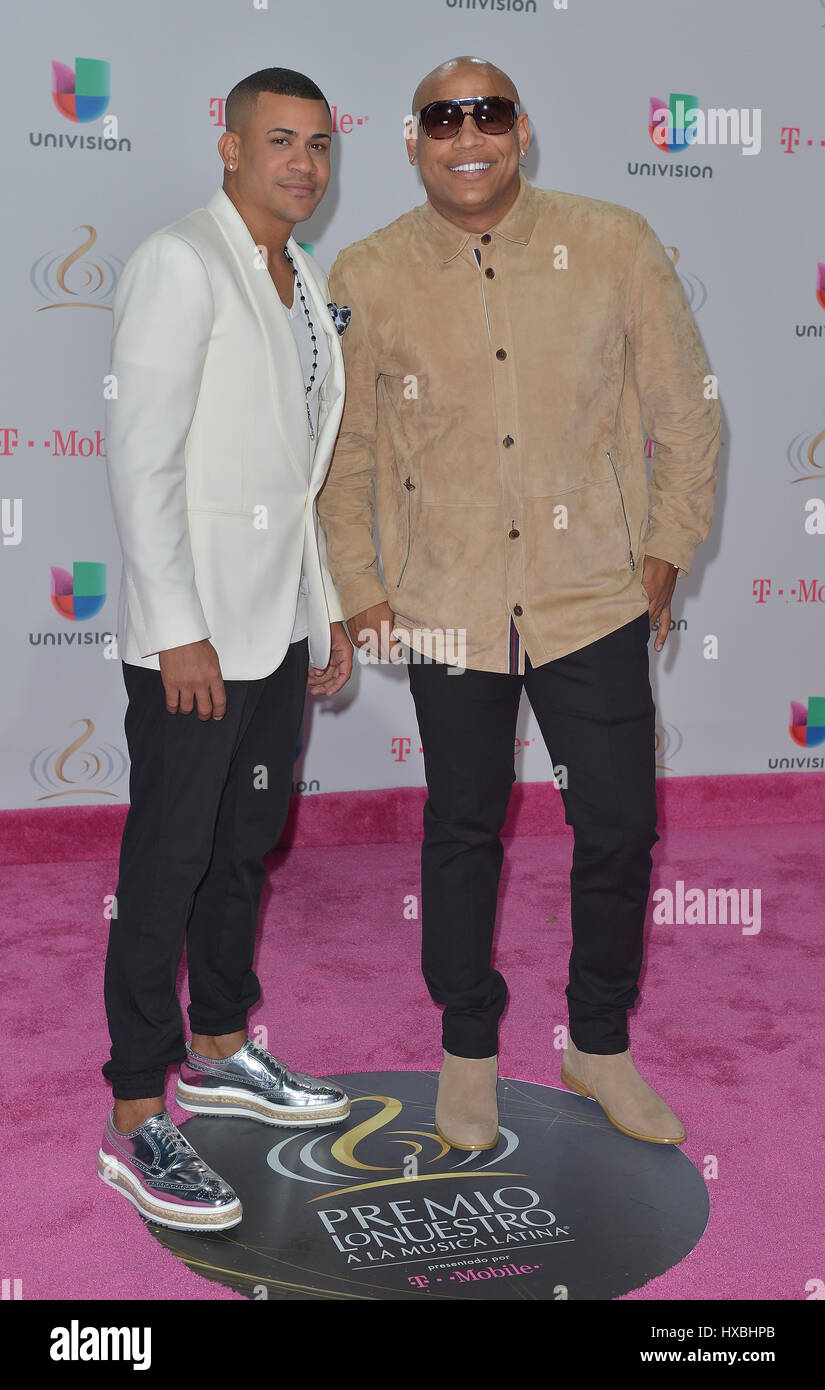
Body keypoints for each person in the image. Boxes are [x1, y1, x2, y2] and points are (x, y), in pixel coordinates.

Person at [317, 55, 720, 1152]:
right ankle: (468, 1050)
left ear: (523, 129)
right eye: (443, 118)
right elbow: (343, 452)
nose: (467, 134)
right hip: (446, 598)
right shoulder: (370, 269)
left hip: (591, 593)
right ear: (412, 141)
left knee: (621, 826)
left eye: (487, 112)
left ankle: (598, 1043)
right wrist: (359, 592)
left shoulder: (614, 242)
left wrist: (667, 553)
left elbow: (686, 409)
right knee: (460, 827)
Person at [99, 67, 353, 1231]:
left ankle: (221, 1042)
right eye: (280, 141)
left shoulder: (303, 282)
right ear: (231, 146)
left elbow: (294, 481)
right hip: (193, 640)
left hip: (271, 632)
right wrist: (175, 628)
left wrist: (323, 610)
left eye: (317, 145)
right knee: (168, 861)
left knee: (246, 844)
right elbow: (141, 460)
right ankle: (139, 1109)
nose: (301, 163)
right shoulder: (180, 263)